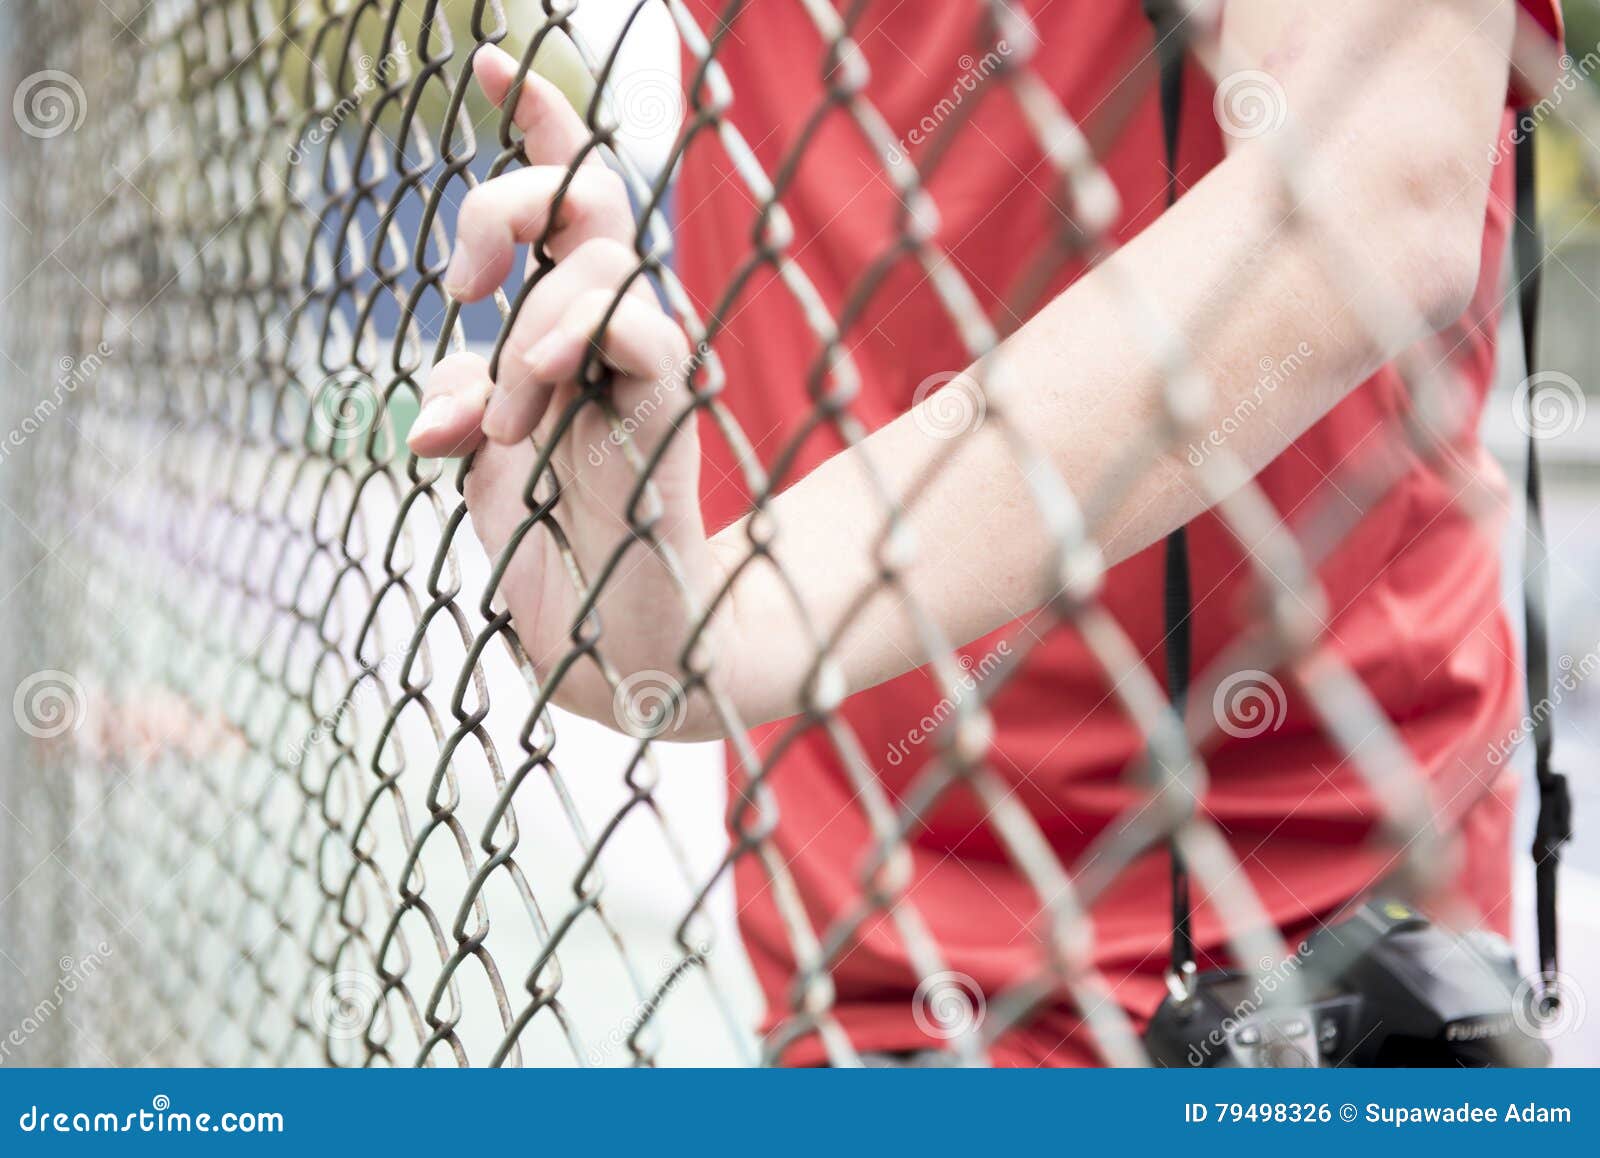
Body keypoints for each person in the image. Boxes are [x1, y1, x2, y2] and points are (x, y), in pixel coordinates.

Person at [406, 0, 1564, 1065]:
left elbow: (1362, 202)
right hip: (853, 946)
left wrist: (738, 612)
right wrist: (617, 436)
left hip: (1292, 931)